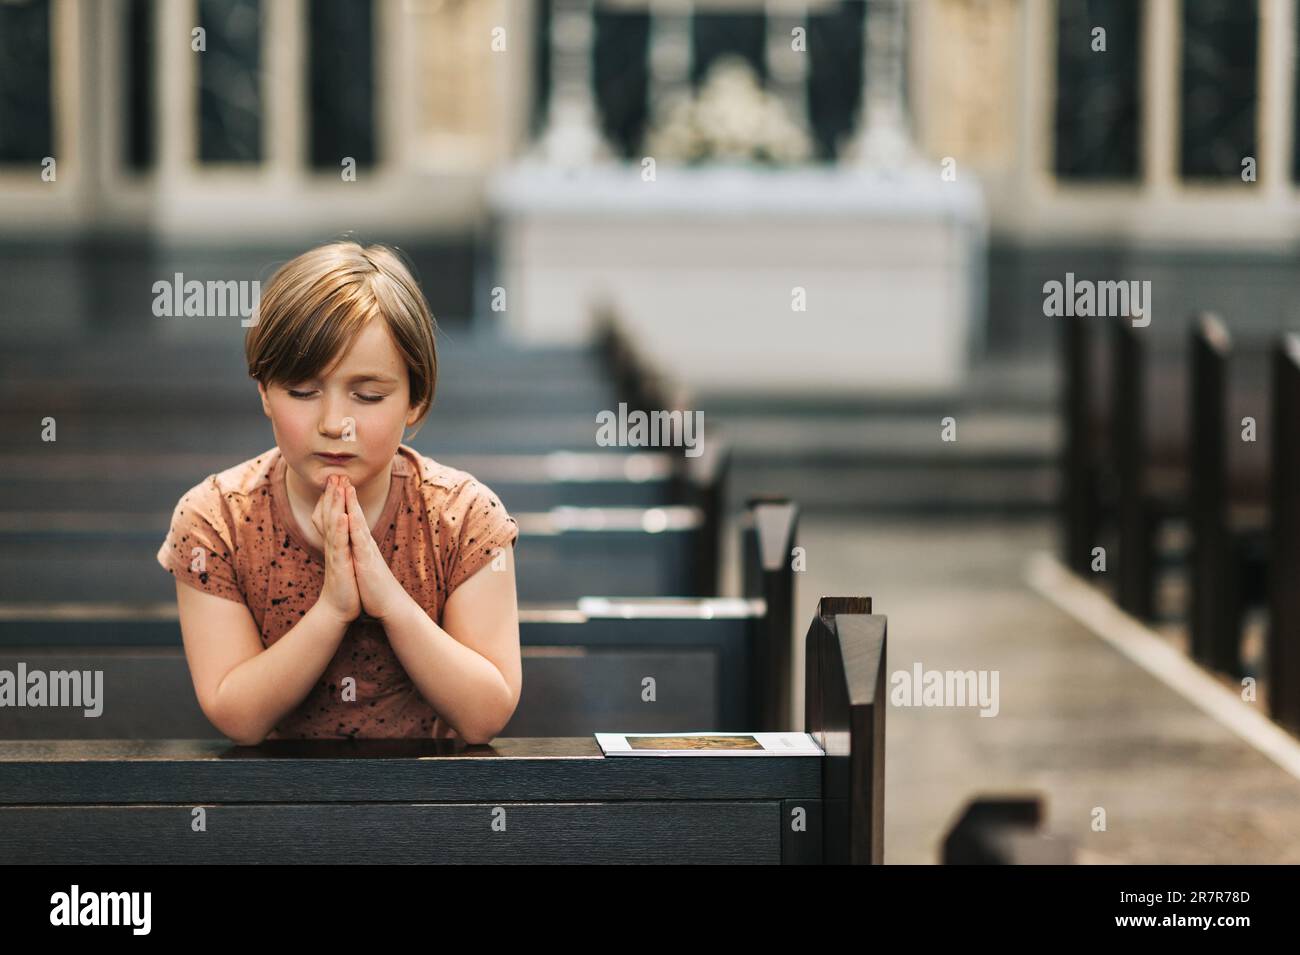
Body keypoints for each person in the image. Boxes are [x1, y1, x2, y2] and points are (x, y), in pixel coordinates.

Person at [156, 241, 520, 744]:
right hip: (269, 812)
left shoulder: (464, 517)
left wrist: (388, 599)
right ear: (264, 391)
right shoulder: (215, 520)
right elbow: (238, 716)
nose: (334, 424)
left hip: (432, 812)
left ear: (416, 399)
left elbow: (485, 715)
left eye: (368, 395)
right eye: (302, 392)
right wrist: (332, 610)